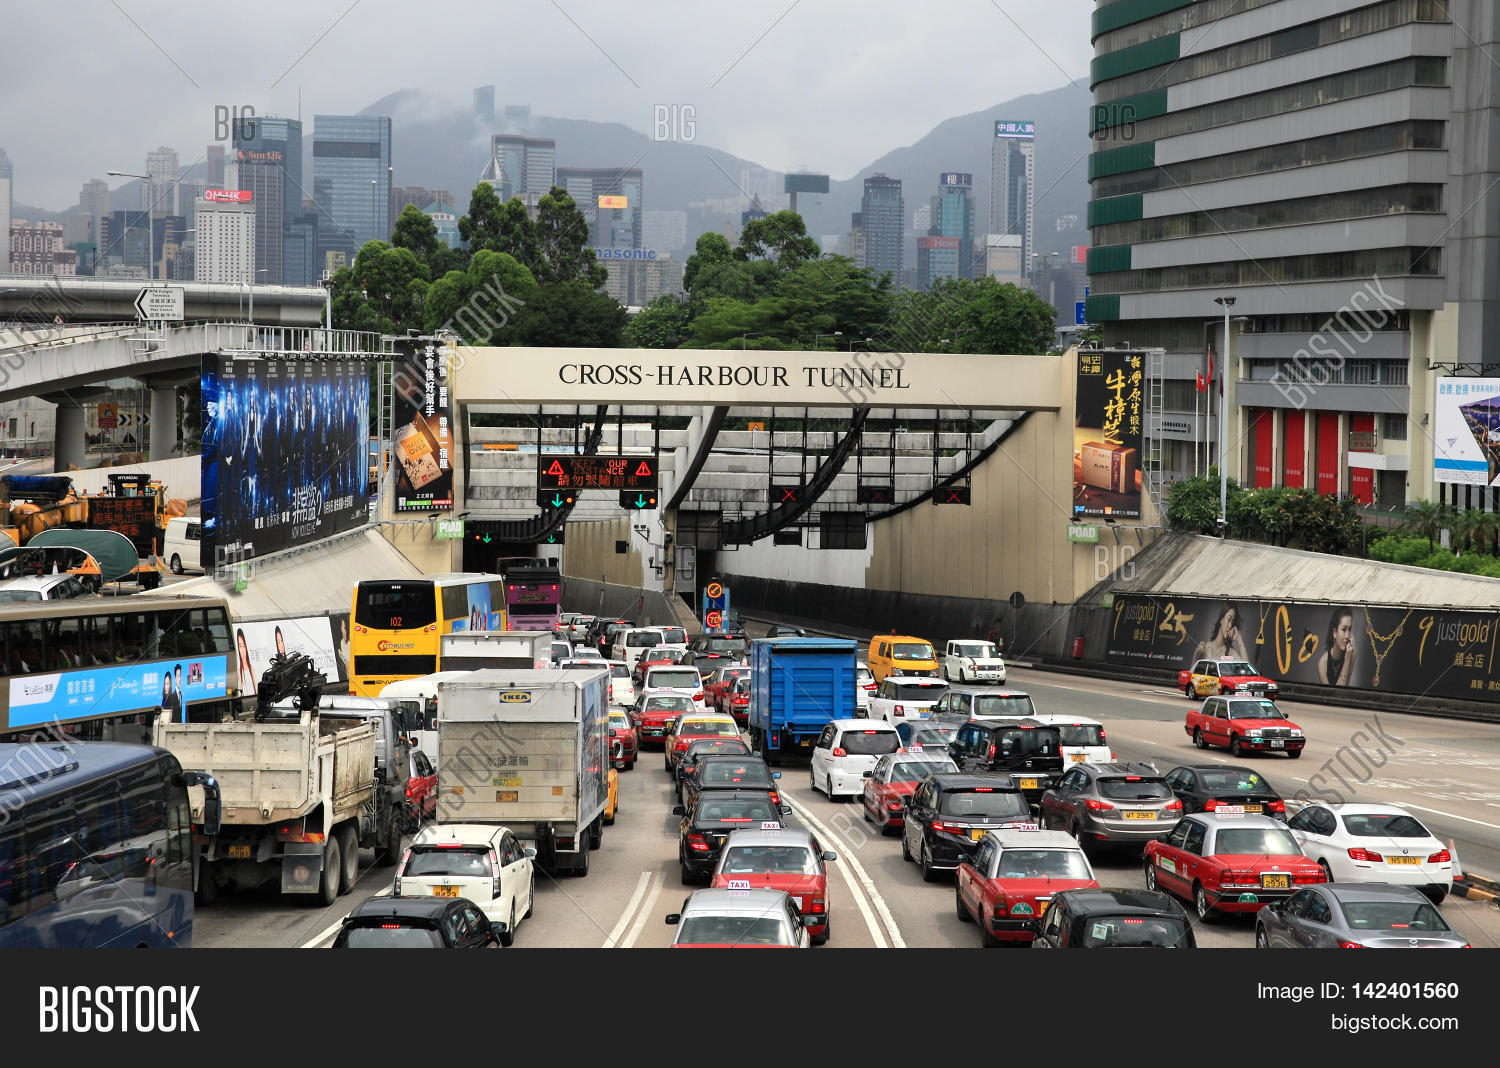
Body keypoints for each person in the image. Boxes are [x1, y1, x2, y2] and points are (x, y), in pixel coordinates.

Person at [1317, 607, 1356, 686]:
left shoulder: (1352, 653)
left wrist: (1348, 658)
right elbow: (1335, 695)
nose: (1347, 636)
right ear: (1335, 632)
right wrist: (1347, 659)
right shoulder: (1322, 664)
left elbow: (1345, 688)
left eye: (1350, 629)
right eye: (1344, 629)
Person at [236, 628, 256, 693]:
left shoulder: (251, 668)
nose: (242, 650)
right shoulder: (239, 671)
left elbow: (256, 688)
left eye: (243, 646)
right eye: (240, 646)